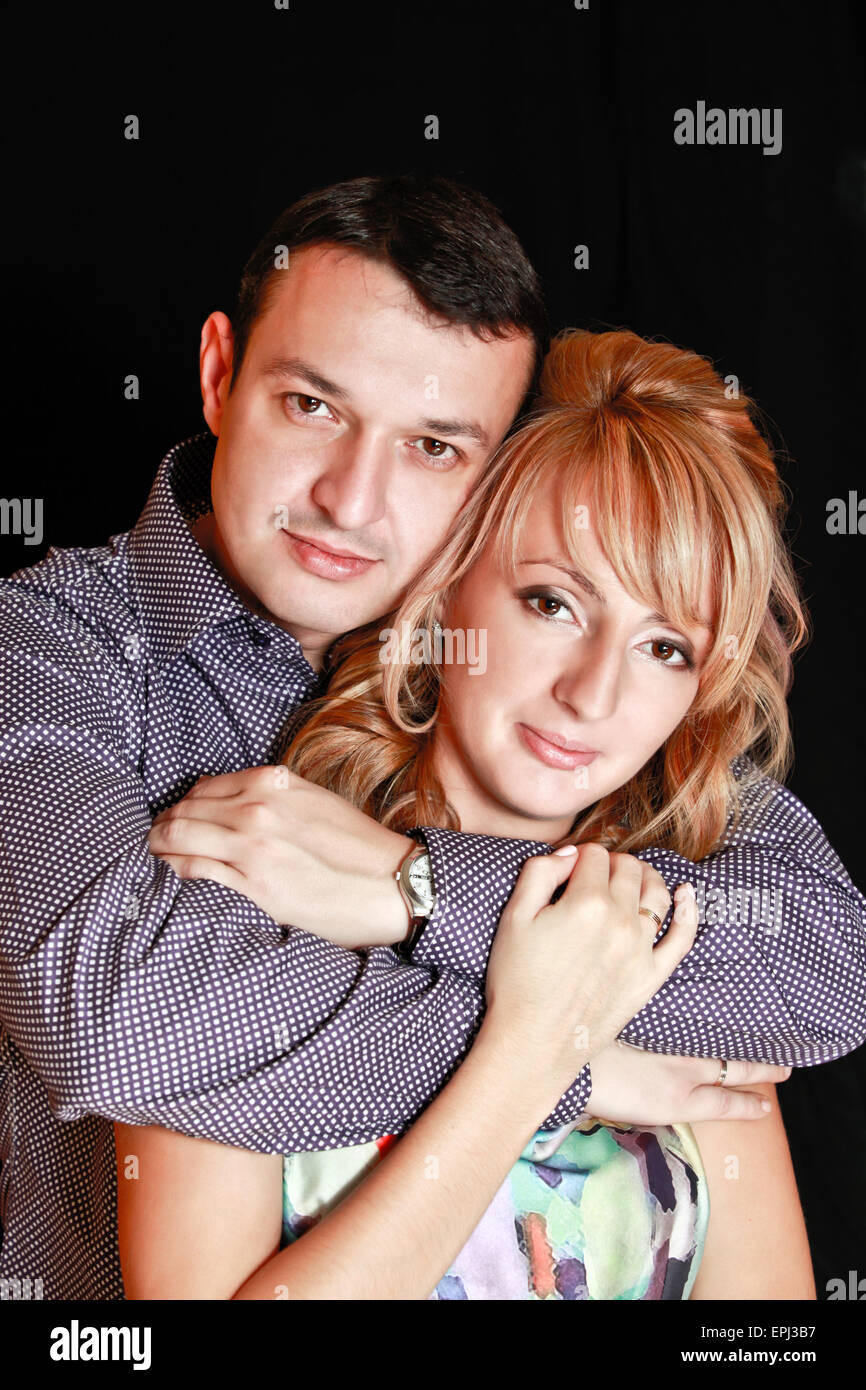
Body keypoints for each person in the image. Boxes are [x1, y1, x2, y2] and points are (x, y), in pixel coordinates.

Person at [0, 176, 862, 1302]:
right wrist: (565, 1048)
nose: (351, 501)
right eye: (312, 405)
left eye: (435, 446)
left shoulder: (597, 747)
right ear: (219, 374)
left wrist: (416, 889)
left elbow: (824, 962)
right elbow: (115, 1022)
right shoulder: (50, 648)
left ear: (489, 486)